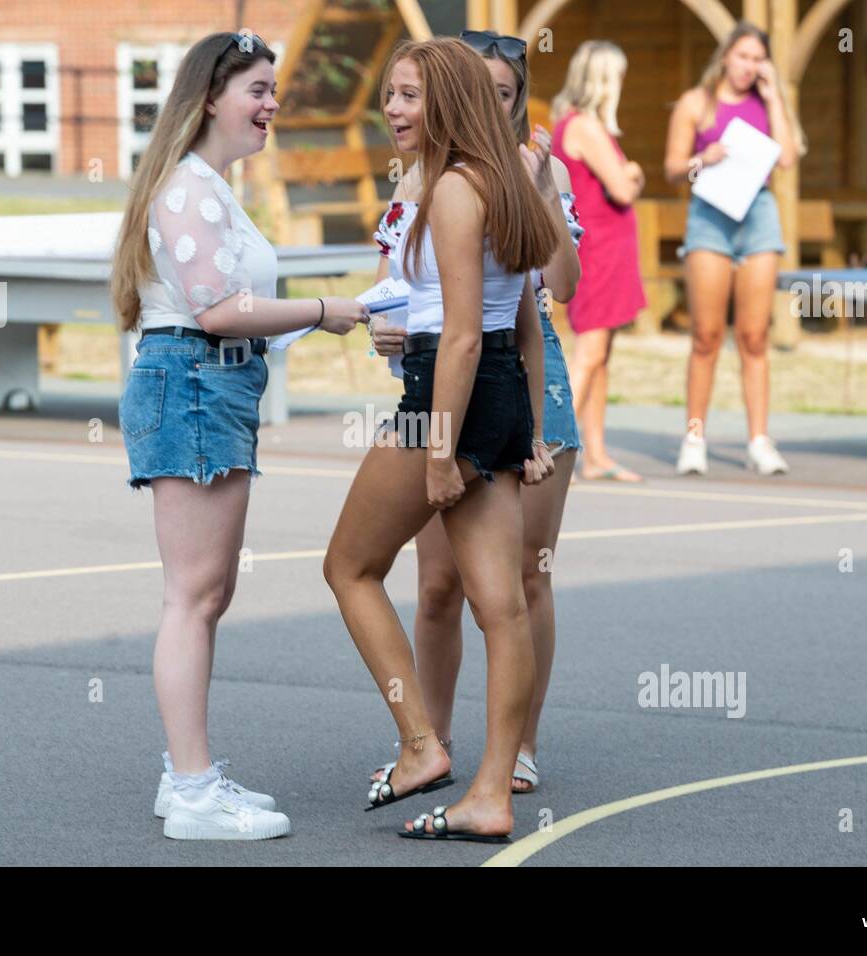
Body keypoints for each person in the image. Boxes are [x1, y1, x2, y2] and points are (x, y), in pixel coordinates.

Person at [110, 31, 366, 841]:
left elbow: (232, 314)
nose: (271, 105)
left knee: (207, 594)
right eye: (257, 89)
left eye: (273, 90)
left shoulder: (210, 186)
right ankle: (190, 792)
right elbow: (219, 311)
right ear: (210, 97)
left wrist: (330, 321)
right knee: (194, 597)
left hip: (210, 381)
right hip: (191, 380)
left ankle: (185, 776)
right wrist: (327, 312)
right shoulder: (189, 190)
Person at [322, 37, 562, 843]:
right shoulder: (504, 182)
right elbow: (519, 324)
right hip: (491, 398)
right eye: (390, 95)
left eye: (411, 96)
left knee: (349, 566)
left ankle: (422, 744)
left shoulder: (458, 191)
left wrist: (436, 452)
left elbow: (461, 338)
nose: (395, 110)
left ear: (447, 101)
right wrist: (523, 433)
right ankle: (490, 792)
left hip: (446, 401)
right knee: (502, 608)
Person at [664, 21, 805, 476]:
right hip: (710, 216)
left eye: (757, 59)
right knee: (706, 335)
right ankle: (694, 437)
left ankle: (759, 440)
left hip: (758, 216)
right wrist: (700, 160)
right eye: (742, 56)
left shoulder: (767, 103)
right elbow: (671, 170)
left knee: (754, 335)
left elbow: (786, 158)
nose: (748, 66)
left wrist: (775, 95)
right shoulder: (696, 103)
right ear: (726, 55)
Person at [550, 40, 647, 483]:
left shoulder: (585, 126)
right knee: (588, 353)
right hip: (598, 251)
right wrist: (633, 173)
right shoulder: (585, 125)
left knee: (602, 353)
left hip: (610, 249)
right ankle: (549, 448)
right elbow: (622, 186)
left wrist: (628, 174)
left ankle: (597, 455)